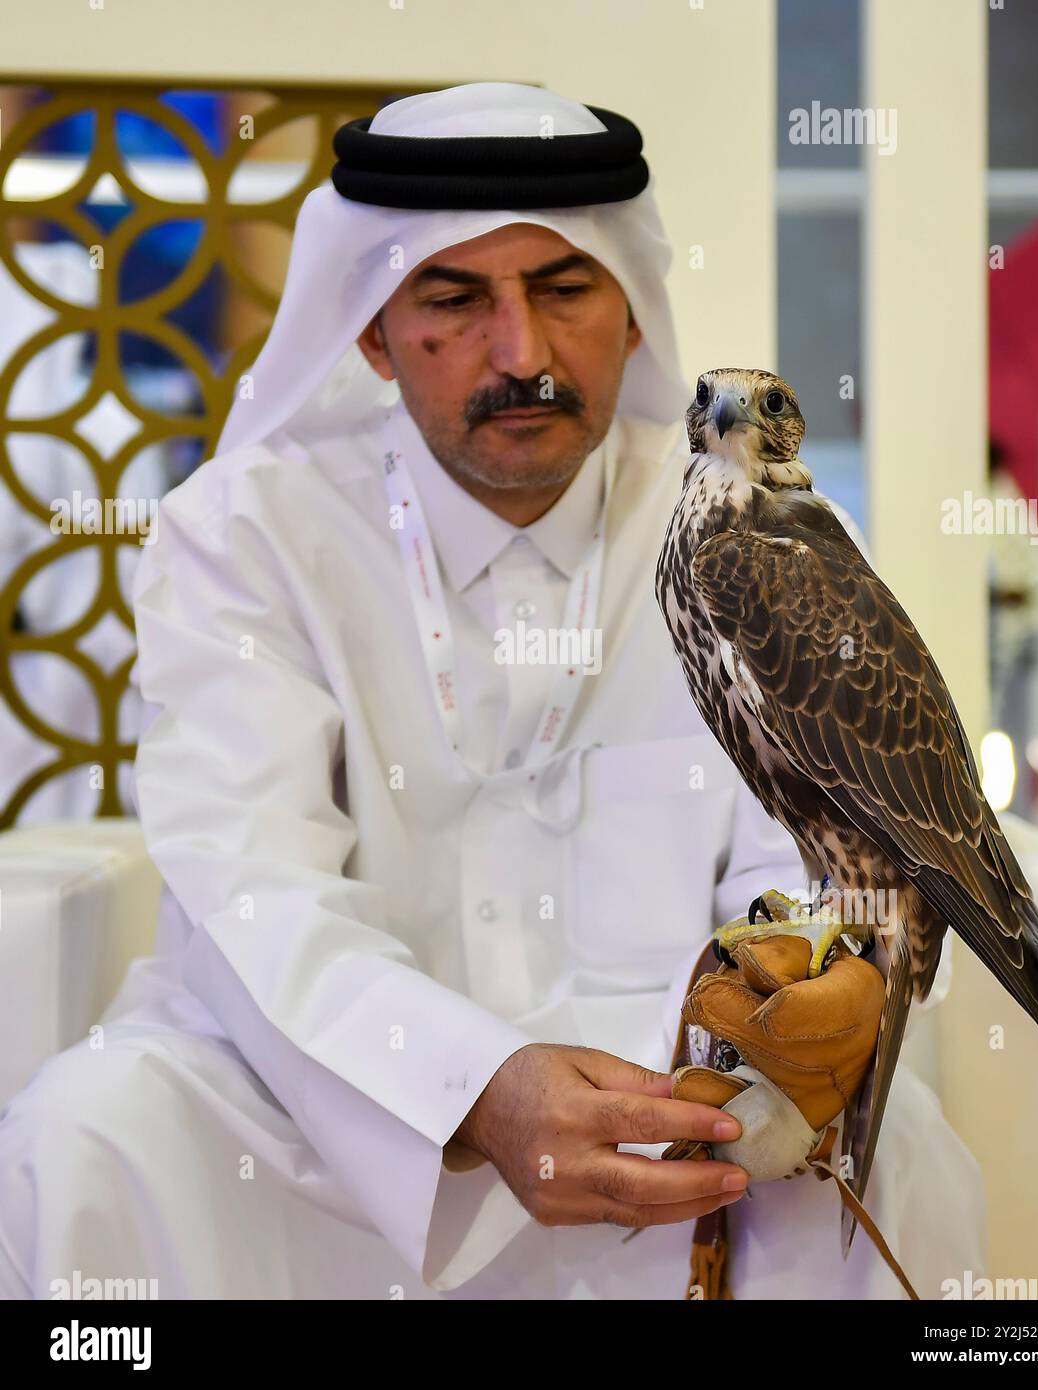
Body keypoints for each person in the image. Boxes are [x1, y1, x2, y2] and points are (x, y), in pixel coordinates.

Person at [0, 82, 986, 1300]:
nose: (520, 354)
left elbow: (798, 843)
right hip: (336, 1100)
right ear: (368, 331)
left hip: (678, 1090)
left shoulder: (756, 544)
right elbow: (251, 879)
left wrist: (794, 996)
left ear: (631, 316)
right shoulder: (243, 537)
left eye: (564, 292)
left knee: (911, 1166)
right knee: (89, 1132)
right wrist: (470, 1085)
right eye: (455, 301)